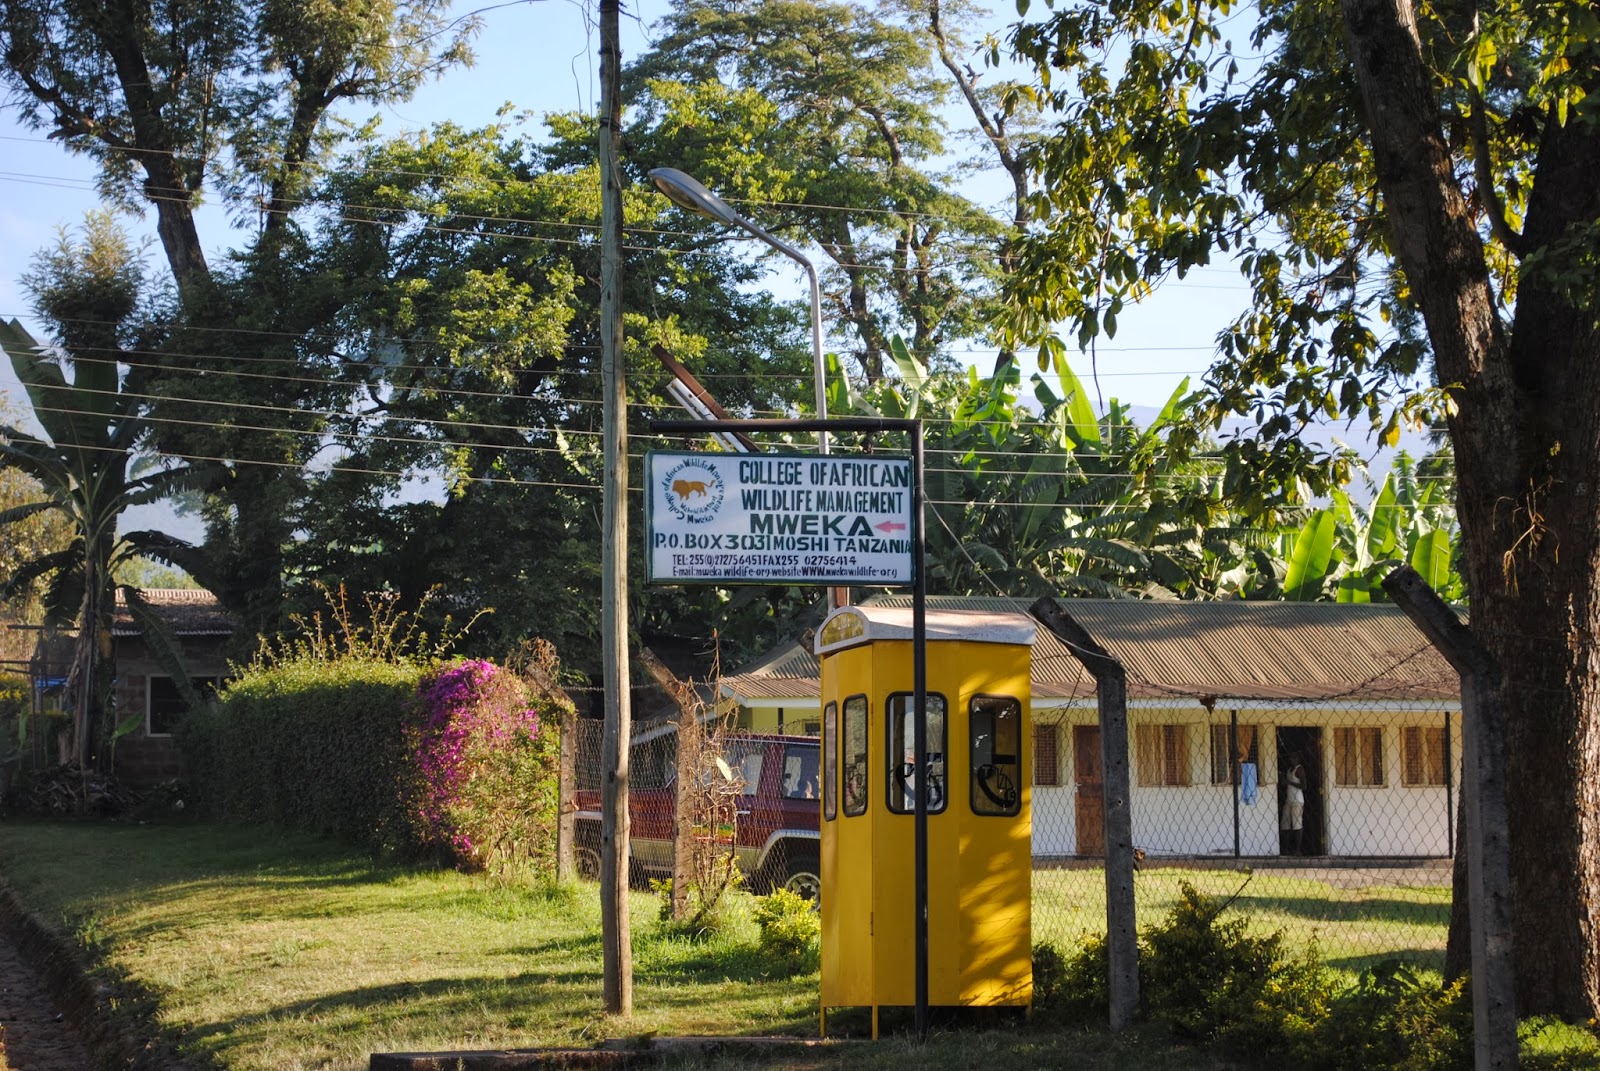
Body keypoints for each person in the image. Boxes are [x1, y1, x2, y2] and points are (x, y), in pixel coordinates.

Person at [1281, 757, 1306, 854]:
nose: (1291, 759)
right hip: (1289, 800)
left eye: (1294, 756)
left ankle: (1297, 850)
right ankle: (1286, 849)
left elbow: (1304, 786)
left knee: (1297, 825)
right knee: (1285, 824)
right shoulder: (1289, 770)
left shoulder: (1299, 769)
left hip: (1297, 800)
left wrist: (1290, 782)